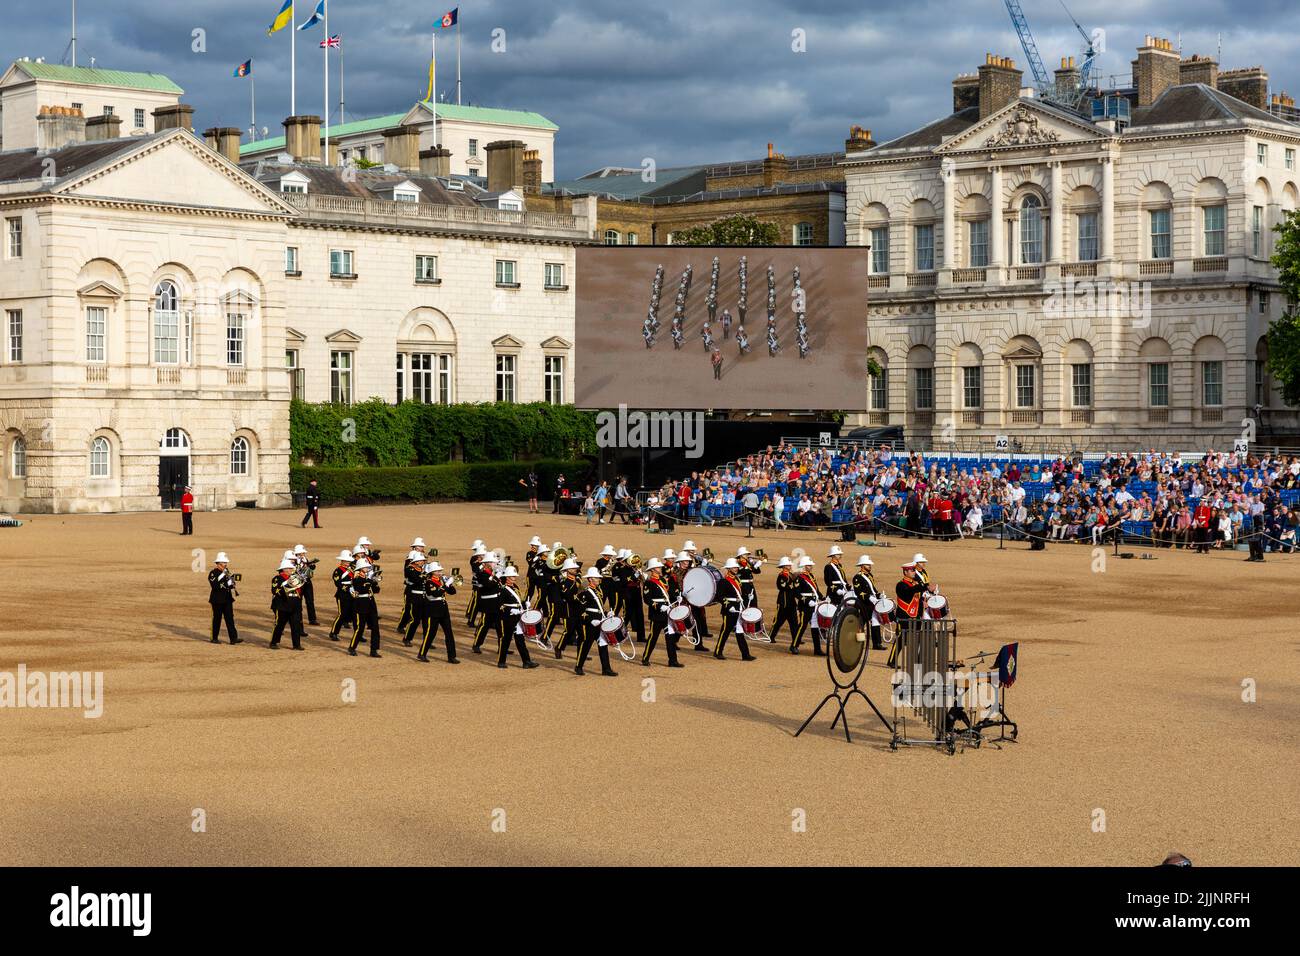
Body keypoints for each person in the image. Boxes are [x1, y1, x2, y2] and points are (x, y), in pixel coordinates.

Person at [574, 568, 617, 677]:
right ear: (590, 579)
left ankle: (606, 669)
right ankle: (578, 666)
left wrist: (607, 613)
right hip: (590, 623)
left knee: (603, 644)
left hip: (600, 621)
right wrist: (590, 620)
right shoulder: (584, 593)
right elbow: (580, 610)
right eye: (597, 578)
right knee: (586, 645)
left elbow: (599, 608)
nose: (599, 579)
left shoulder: (597, 592)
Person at [713, 558, 756, 661]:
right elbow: (719, 596)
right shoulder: (724, 581)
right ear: (728, 568)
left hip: (738, 607)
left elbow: (739, 592)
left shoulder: (736, 579)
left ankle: (745, 654)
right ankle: (718, 651)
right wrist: (728, 606)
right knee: (725, 631)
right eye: (733, 567)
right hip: (730, 609)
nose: (736, 569)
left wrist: (748, 595)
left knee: (740, 631)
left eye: (736, 567)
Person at [496, 567, 539, 669]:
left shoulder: (515, 587)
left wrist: (525, 604)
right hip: (508, 618)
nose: (514, 578)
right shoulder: (503, 590)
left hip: (517, 616)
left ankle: (526, 661)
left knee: (520, 640)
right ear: (507, 577)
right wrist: (510, 610)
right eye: (512, 576)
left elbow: (518, 601)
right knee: (506, 639)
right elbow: (499, 605)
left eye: (515, 576)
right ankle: (501, 661)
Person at [418, 561, 459, 663]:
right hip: (433, 610)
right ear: (433, 572)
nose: (441, 572)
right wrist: (445, 585)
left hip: (443, 609)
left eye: (440, 570)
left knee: (449, 633)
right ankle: (422, 653)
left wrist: (449, 584)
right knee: (431, 633)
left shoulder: (441, 581)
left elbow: (453, 592)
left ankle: (451, 656)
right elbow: (435, 593)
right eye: (438, 571)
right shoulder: (429, 582)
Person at [347, 557, 382, 658]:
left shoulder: (367, 579)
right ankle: (352, 647)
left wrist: (375, 582)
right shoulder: (357, 579)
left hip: (371, 604)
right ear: (360, 568)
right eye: (366, 567)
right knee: (360, 628)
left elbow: (376, 590)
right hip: (360, 604)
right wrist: (371, 581)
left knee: (375, 628)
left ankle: (374, 650)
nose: (368, 568)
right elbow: (361, 589)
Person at [269, 558, 306, 651]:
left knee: (296, 625)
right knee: (279, 625)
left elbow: (301, 590)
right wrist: (287, 583)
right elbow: (275, 590)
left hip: (295, 604)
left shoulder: (295, 577)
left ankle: (296, 645)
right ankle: (274, 642)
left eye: (291, 568)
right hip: (283, 604)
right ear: (284, 569)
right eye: (289, 568)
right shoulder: (277, 578)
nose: (291, 570)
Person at [208, 552, 241, 645]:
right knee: (217, 619)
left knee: (230, 619)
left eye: (226, 563)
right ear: (218, 563)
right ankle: (214, 638)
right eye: (223, 563)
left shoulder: (227, 572)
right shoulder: (213, 573)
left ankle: (233, 638)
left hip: (227, 599)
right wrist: (225, 577)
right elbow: (215, 585)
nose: (225, 564)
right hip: (217, 599)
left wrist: (232, 583)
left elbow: (229, 585)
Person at [328, 549, 355, 642]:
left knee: (355, 615)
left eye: (349, 561)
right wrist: (347, 588)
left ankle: (358, 634)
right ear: (342, 560)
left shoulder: (352, 569)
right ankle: (334, 633)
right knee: (341, 615)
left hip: (352, 594)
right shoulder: (338, 570)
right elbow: (337, 583)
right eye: (346, 560)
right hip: (342, 595)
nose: (348, 562)